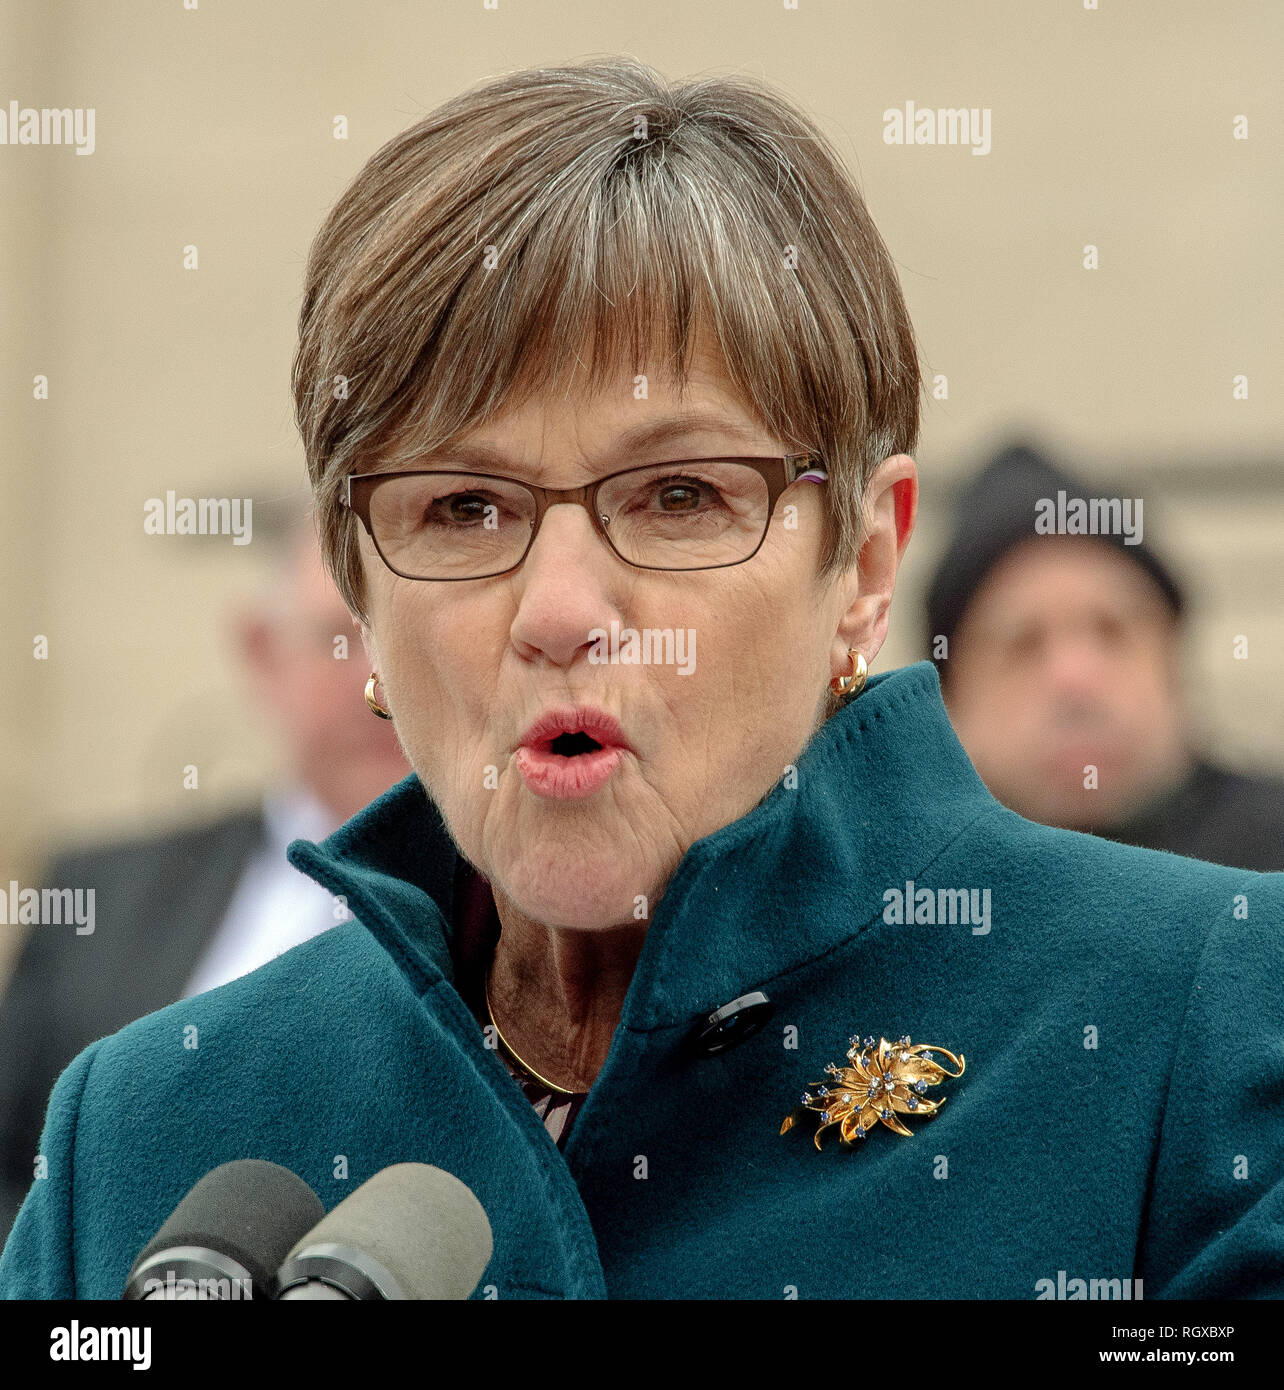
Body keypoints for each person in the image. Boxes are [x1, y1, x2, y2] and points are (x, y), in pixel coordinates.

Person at [2, 57, 1280, 1301]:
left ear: (866, 563)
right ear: (361, 593)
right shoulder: (145, 1125)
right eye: (461, 506)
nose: (559, 612)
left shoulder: (1191, 1015)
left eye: (679, 496)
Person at [0, 511, 407, 1243]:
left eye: (407, 642)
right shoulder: (96, 895)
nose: (376, 686)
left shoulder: (550, 921)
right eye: (337, 640)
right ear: (262, 653)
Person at [926, 443, 1284, 869]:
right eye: (1022, 644)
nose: (1075, 677)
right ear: (951, 698)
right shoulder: (911, 893)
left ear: (1173, 662)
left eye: (1112, 630)